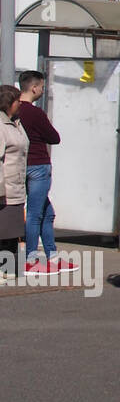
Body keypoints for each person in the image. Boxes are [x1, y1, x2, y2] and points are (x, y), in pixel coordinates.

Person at [16, 70, 72, 272]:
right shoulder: (35, 112)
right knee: (35, 214)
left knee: (48, 213)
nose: (42, 90)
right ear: (34, 88)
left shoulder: (13, 110)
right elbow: (54, 137)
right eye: (41, 86)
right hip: (39, 165)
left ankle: (53, 256)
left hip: (23, 166)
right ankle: (31, 259)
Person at [0, 85, 29, 284]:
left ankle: (8, 269)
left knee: (13, 232)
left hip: (18, 187)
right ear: (9, 102)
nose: (21, 103)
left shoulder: (16, 123)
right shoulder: (1, 126)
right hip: (5, 189)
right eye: (18, 100)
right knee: (3, 230)